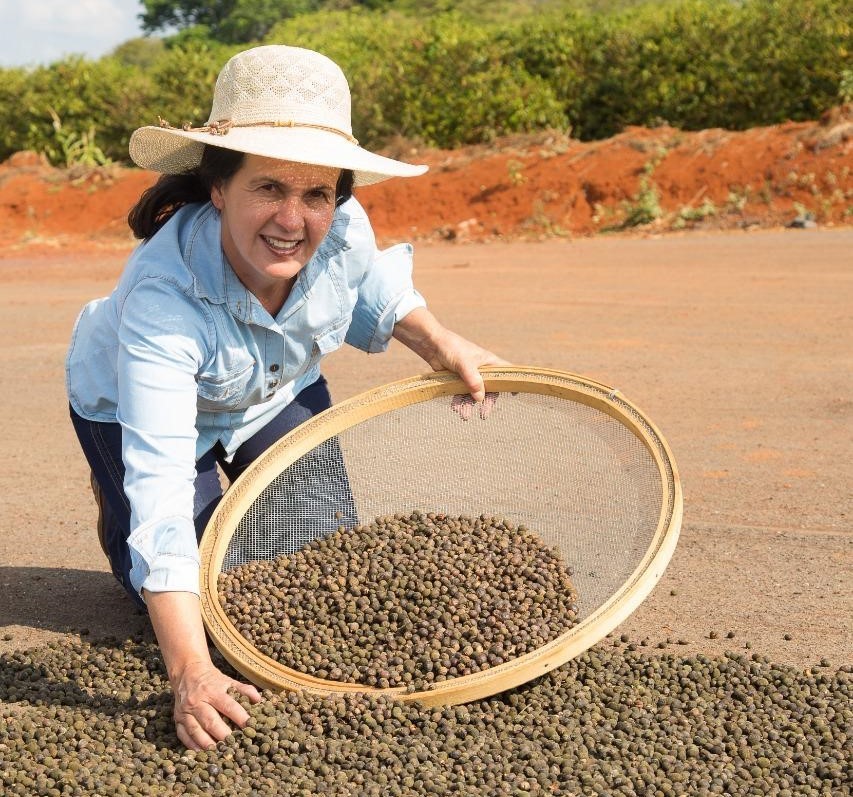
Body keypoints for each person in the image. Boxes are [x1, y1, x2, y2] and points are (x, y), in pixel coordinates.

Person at [65, 44, 504, 750]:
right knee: (209, 609)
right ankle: (114, 522)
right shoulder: (163, 302)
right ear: (217, 186)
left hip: (272, 390)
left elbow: (373, 285)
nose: (292, 220)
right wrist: (189, 673)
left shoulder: (342, 225)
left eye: (315, 194)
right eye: (268, 188)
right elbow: (162, 490)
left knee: (312, 574)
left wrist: (443, 343)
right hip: (131, 407)